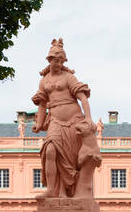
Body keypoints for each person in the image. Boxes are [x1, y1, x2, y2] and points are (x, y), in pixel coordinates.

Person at [31, 39, 101, 199]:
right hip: (55, 120)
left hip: (74, 121)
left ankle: (64, 191)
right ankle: (51, 190)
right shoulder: (44, 81)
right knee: (50, 150)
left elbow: (83, 98)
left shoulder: (68, 77)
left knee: (70, 160)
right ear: (49, 60)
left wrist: (88, 118)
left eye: (61, 61)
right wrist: (39, 124)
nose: (59, 63)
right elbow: (42, 105)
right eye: (56, 60)